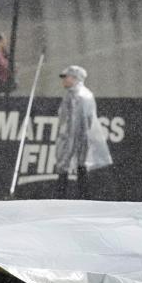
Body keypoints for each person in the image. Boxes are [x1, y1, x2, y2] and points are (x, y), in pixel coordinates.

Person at [54, 65, 113, 199]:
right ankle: (83, 196)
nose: (63, 80)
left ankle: (62, 198)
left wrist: (67, 148)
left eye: (66, 77)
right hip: (83, 138)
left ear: (74, 78)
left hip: (75, 138)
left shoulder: (76, 96)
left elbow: (73, 124)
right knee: (82, 167)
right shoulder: (83, 94)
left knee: (66, 167)